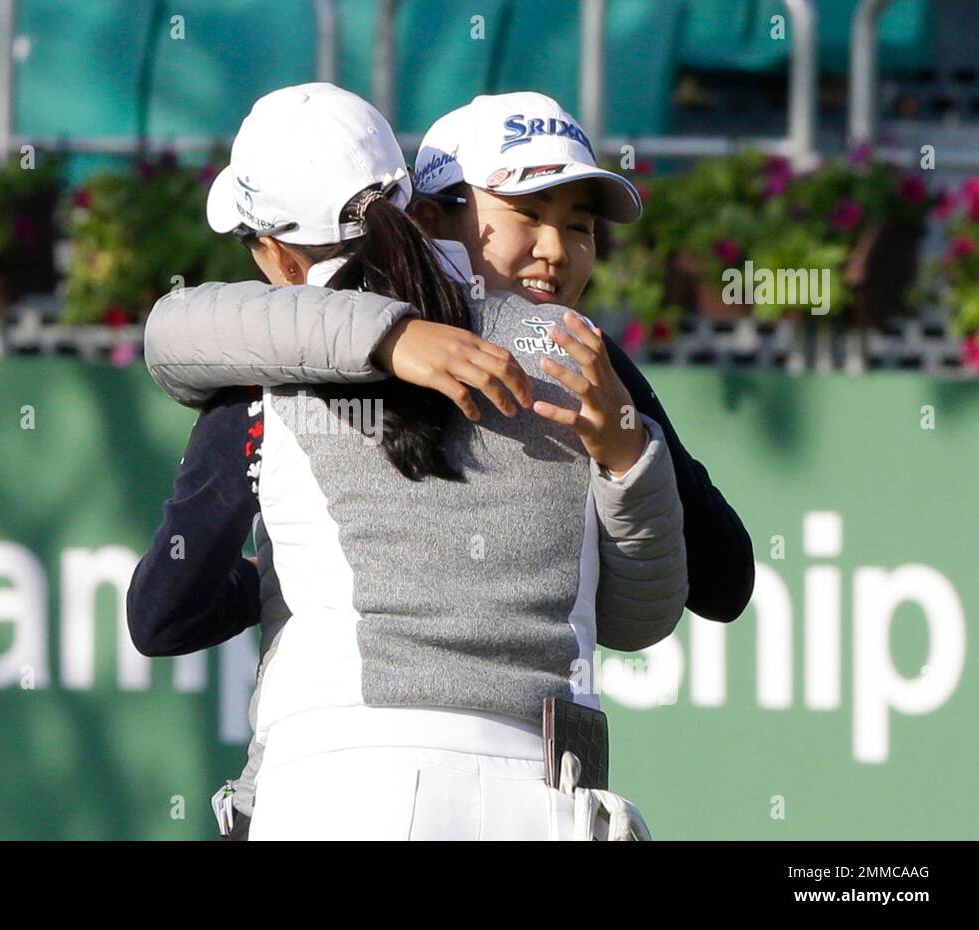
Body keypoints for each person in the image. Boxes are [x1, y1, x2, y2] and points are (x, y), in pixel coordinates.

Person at [140, 92, 753, 838]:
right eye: (525, 212)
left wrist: (629, 457)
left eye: (578, 226)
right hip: (547, 795)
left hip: (337, 787)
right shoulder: (577, 354)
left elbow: (175, 333)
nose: (556, 250)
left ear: (275, 251)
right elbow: (651, 613)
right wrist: (396, 337)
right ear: (421, 213)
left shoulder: (264, 359)